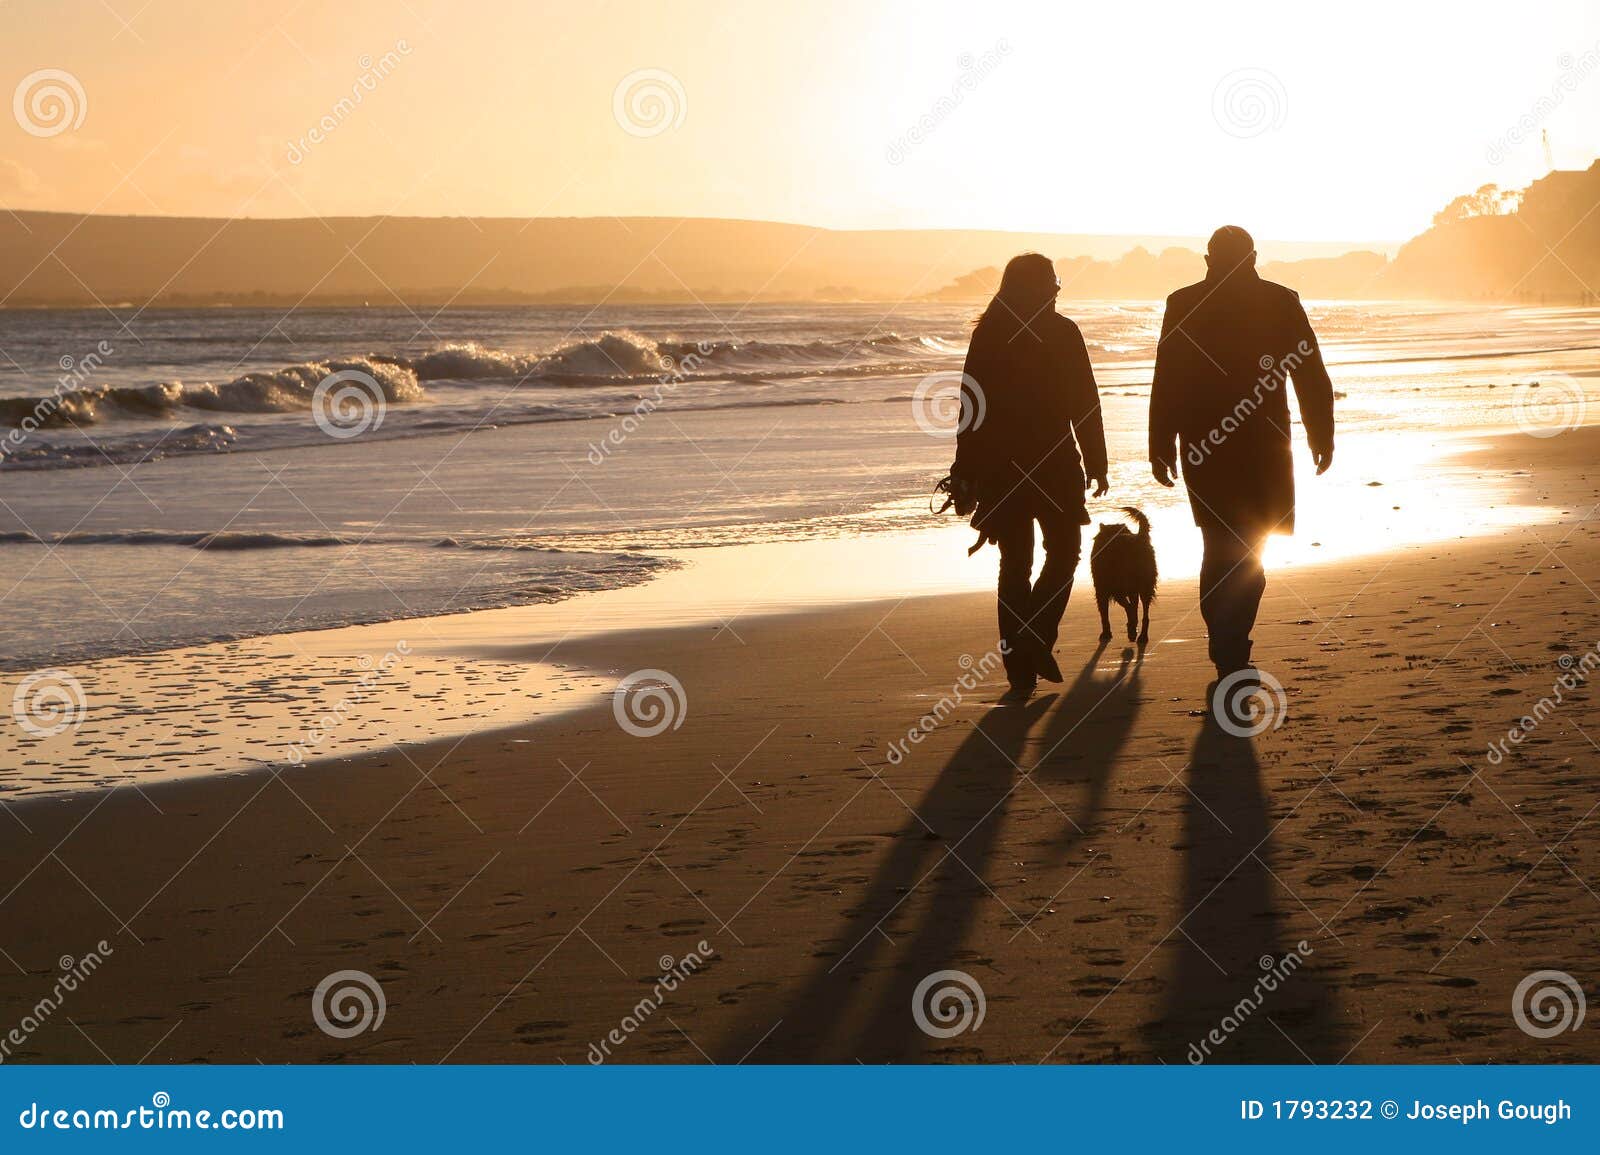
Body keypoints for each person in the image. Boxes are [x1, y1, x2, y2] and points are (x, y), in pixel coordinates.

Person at [1148, 225, 1335, 679]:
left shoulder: (1184, 302)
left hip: (1205, 444)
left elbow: (1166, 378)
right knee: (1251, 547)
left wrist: (1161, 444)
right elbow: (1310, 372)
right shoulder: (1279, 301)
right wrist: (1321, 434)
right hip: (1264, 445)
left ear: (1208, 259)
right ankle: (1232, 641)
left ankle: (1225, 641)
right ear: (1253, 258)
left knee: (1218, 544)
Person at [952, 253, 1108, 701]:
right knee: (1063, 553)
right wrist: (1096, 460)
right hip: (1055, 463)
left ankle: (1020, 666)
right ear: (1038, 288)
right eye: (1053, 283)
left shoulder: (989, 334)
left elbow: (970, 408)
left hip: (1002, 468)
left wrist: (965, 468)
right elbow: (1086, 402)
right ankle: (1036, 636)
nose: (1058, 290)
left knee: (1015, 565)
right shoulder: (1062, 333)